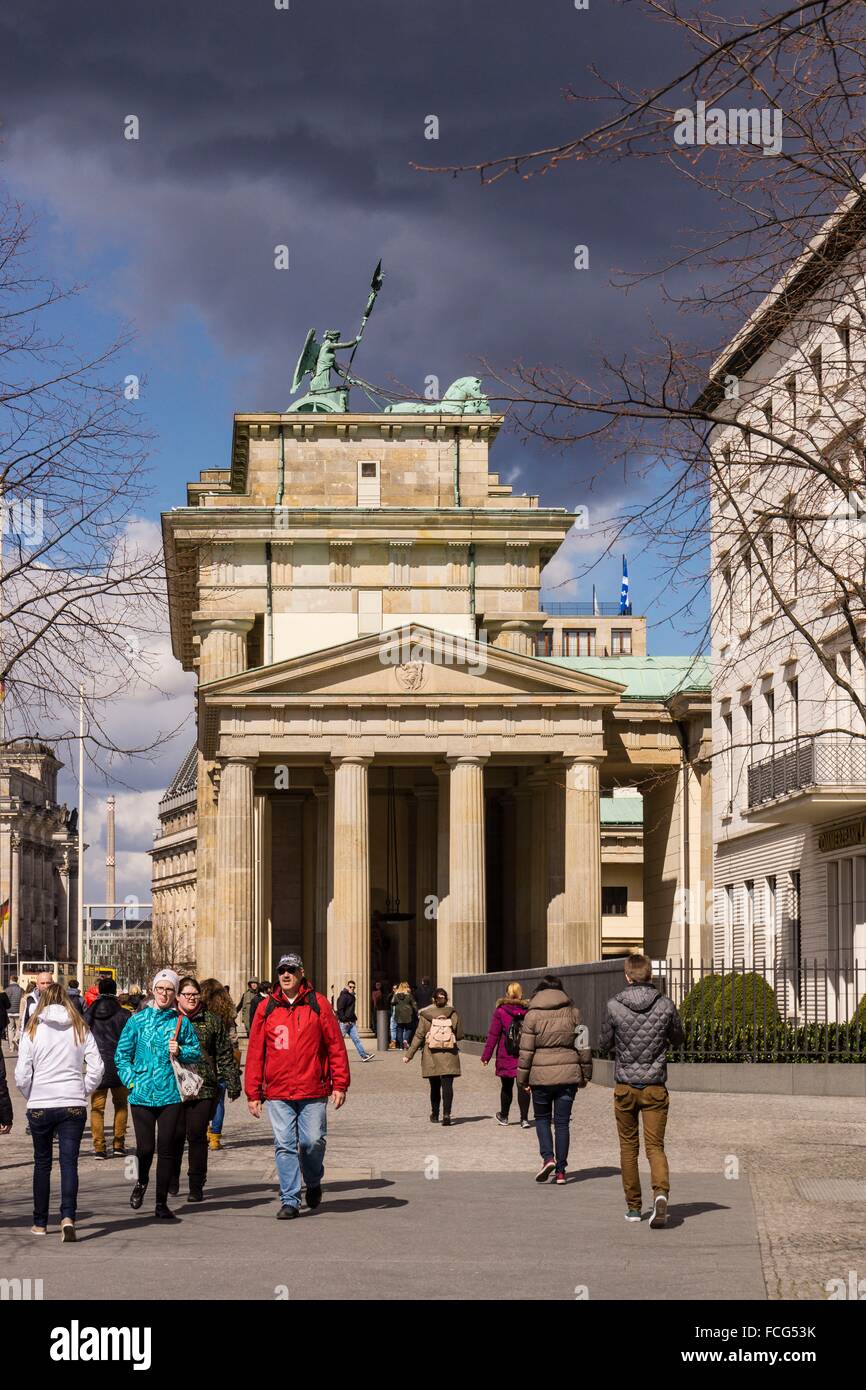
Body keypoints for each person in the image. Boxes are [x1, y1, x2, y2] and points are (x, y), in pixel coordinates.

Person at [244, 952, 349, 1220]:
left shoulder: (319, 1004)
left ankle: (313, 1181)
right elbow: (256, 1051)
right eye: (281, 971)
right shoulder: (266, 1008)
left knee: (312, 1141)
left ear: (301, 972)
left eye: (291, 969)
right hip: (278, 1091)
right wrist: (253, 1092)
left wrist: (340, 1083)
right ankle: (290, 1198)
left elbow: (335, 1045)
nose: (286, 975)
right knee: (284, 1145)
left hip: (312, 1088)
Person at [598, 953, 684, 1228]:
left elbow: (604, 1042)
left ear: (627, 976)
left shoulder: (613, 1005)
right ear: (650, 975)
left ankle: (634, 1208)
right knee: (655, 1147)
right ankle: (660, 1194)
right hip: (655, 1086)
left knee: (628, 1148)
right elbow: (679, 1038)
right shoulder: (666, 1004)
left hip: (625, 1085)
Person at [14, 982, 104, 1239]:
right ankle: (68, 1217)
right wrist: (82, 1089)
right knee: (69, 1163)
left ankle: (40, 1222)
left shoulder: (33, 1029)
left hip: (41, 1103)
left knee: (42, 1164)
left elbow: (21, 1075)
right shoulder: (80, 1028)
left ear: (42, 1001)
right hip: (72, 1103)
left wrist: (32, 1095)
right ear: (66, 1001)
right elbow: (97, 1068)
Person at [114, 968, 201, 1221]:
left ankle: (161, 1203)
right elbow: (121, 1055)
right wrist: (131, 1081)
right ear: (153, 990)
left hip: (170, 1094)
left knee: (166, 1149)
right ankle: (140, 1181)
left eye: (170, 990)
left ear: (175, 994)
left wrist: (181, 1049)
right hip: (141, 1095)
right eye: (160, 989)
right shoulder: (137, 1020)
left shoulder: (181, 1022)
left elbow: (196, 1053)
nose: (164, 994)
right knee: (145, 1148)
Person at [169, 977, 240, 1201]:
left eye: (195, 994)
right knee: (175, 1135)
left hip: (204, 1086)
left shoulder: (212, 1021)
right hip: (173, 1086)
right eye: (186, 994)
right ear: (178, 997)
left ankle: (196, 1183)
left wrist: (232, 1081)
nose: (191, 998)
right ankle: (172, 1176)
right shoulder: (168, 1019)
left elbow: (224, 1053)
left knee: (196, 1134)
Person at [517, 975, 592, 1186]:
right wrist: (586, 1074)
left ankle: (547, 1158)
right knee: (562, 1123)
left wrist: (522, 1079)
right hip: (568, 1074)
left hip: (540, 1076)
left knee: (541, 1118)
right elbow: (584, 1045)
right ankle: (561, 1171)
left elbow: (526, 1051)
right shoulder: (574, 1013)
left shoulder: (531, 1016)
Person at [85, 977, 132, 1158]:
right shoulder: (124, 1014)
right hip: (120, 1065)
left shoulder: (89, 1014)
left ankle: (99, 1147)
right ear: (115, 992)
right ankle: (119, 1144)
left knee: (97, 1108)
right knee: (121, 1105)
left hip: (97, 1065)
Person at [404, 987, 463, 1125]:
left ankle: (435, 1114)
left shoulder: (425, 1015)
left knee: (435, 1086)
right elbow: (459, 1034)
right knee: (447, 1085)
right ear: (446, 999)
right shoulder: (452, 1013)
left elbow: (419, 1036)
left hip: (431, 1054)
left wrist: (409, 1055)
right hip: (449, 1053)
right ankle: (447, 1114)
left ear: (433, 999)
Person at [481, 981, 532, 1127]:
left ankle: (504, 1116)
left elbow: (493, 1035)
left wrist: (486, 1056)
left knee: (506, 1086)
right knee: (523, 1085)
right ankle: (524, 1119)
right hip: (524, 1052)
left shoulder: (501, 1011)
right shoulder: (528, 1011)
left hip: (506, 1053)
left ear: (507, 994)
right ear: (520, 994)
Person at [201, 980, 240, 1150]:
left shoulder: (200, 1013)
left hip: (203, 1063)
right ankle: (216, 1138)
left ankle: (203, 1132)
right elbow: (233, 1039)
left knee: (200, 1101)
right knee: (218, 1102)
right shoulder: (227, 1014)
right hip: (222, 1064)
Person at [335, 980, 374, 1061]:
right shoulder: (344, 996)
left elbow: (350, 1010)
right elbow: (340, 1009)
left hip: (351, 1022)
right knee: (339, 1041)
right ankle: (333, 1057)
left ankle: (364, 1055)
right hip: (344, 1022)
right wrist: (344, 1020)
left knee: (356, 1039)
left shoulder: (351, 996)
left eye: (354, 987)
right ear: (346, 986)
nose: (352, 988)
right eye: (350, 987)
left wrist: (353, 1018)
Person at [391, 982, 417, 1049]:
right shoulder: (409, 995)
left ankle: (401, 1046)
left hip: (398, 1014)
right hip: (408, 1014)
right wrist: (416, 1012)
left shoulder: (396, 995)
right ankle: (405, 1040)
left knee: (400, 1029)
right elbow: (414, 1004)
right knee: (409, 1028)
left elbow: (392, 1003)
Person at [4, 975, 23, 1052]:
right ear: (17, 980)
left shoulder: (7, 990)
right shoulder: (21, 990)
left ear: (11, 980)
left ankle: (11, 1048)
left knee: (10, 1029)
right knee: (19, 1028)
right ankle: (16, 1040)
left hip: (9, 1012)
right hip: (18, 1012)